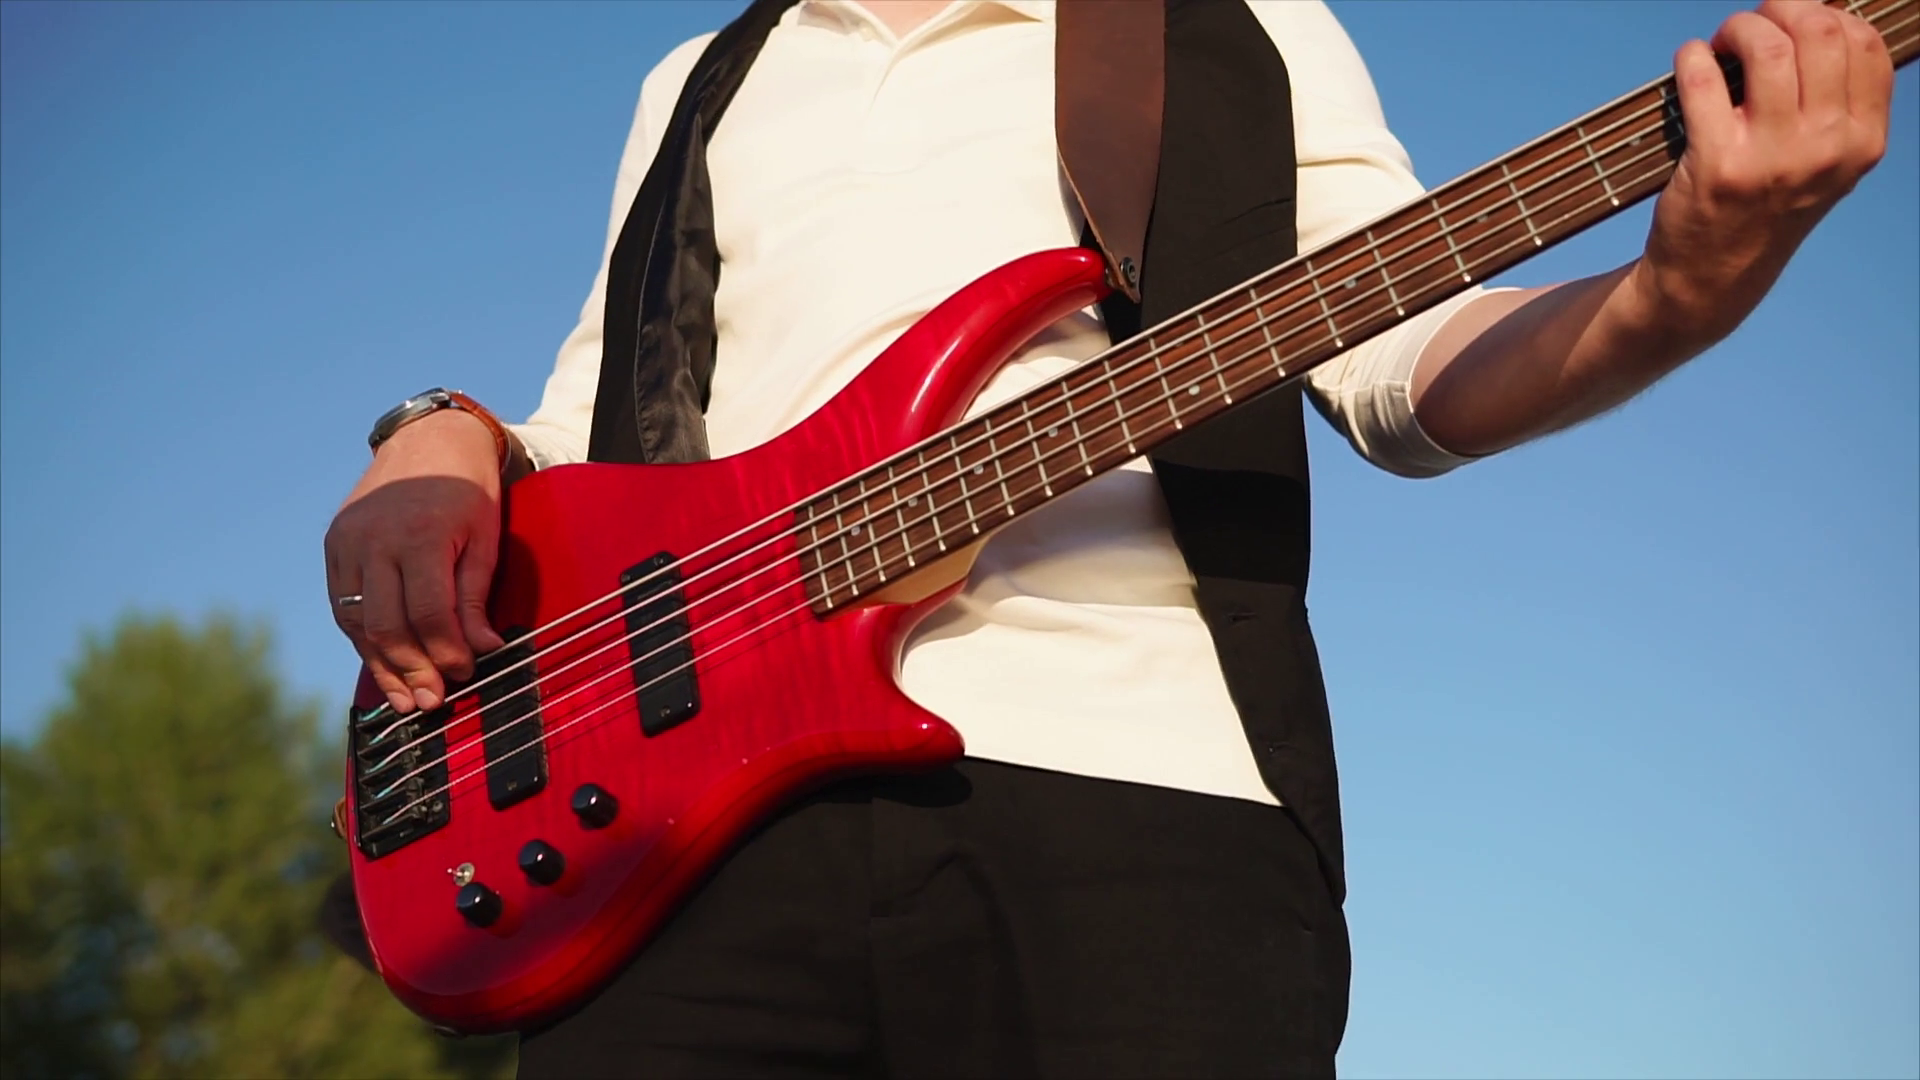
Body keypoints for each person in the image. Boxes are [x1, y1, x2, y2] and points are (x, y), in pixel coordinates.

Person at [322, 1, 1894, 1076]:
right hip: (692, 858)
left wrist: (1677, 293)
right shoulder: (703, 76)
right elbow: (602, 428)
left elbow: (1406, 359)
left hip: (1141, 807)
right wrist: (437, 431)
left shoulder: (1227, 26)